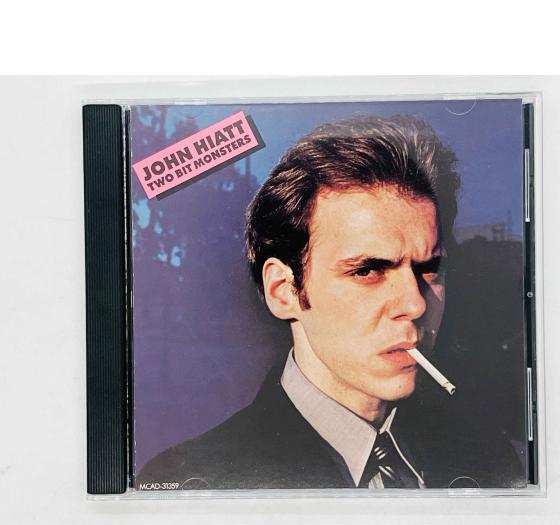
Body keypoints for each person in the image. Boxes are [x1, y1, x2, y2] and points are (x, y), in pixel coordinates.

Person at [137, 115, 524, 490]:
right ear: (284, 290)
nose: (416, 305)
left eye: (429, 269)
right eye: (367, 271)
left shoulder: (490, 460)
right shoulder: (197, 479)